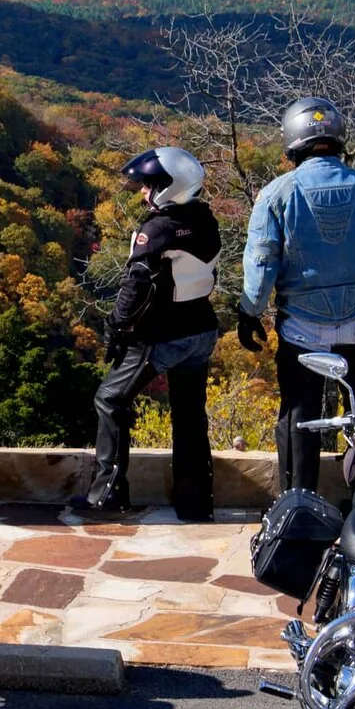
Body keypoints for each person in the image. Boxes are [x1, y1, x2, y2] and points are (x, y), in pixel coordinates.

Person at [241, 96, 355, 498]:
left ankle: (296, 503)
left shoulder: (276, 194)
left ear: (292, 140)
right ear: (338, 139)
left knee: (298, 416)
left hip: (302, 326)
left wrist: (249, 311)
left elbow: (263, 261)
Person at [80, 146, 221, 519]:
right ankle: (195, 502)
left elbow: (136, 285)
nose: (144, 191)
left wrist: (114, 328)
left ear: (170, 186)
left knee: (109, 400)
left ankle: (106, 497)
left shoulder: (156, 229)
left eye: (150, 185)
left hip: (162, 334)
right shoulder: (204, 217)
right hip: (202, 329)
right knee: (190, 415)